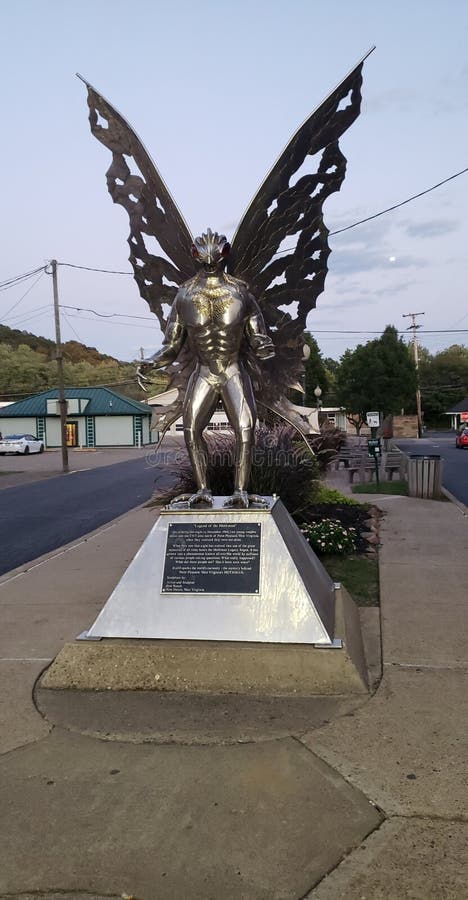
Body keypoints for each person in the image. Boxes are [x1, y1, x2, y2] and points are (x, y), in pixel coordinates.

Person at [140, 230, 274, 508]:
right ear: (196, 256)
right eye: (205, 258)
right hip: (203, 372)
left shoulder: (241, 293)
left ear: (224, 255)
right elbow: (172, 345)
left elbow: (258, 335)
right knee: (190, 430)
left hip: (233, 369)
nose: (211, 263)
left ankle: (240, 491)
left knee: (246, 430)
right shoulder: (184, 296)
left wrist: (264, 347)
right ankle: (203, 489)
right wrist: (151, 361)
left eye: (216, 257)